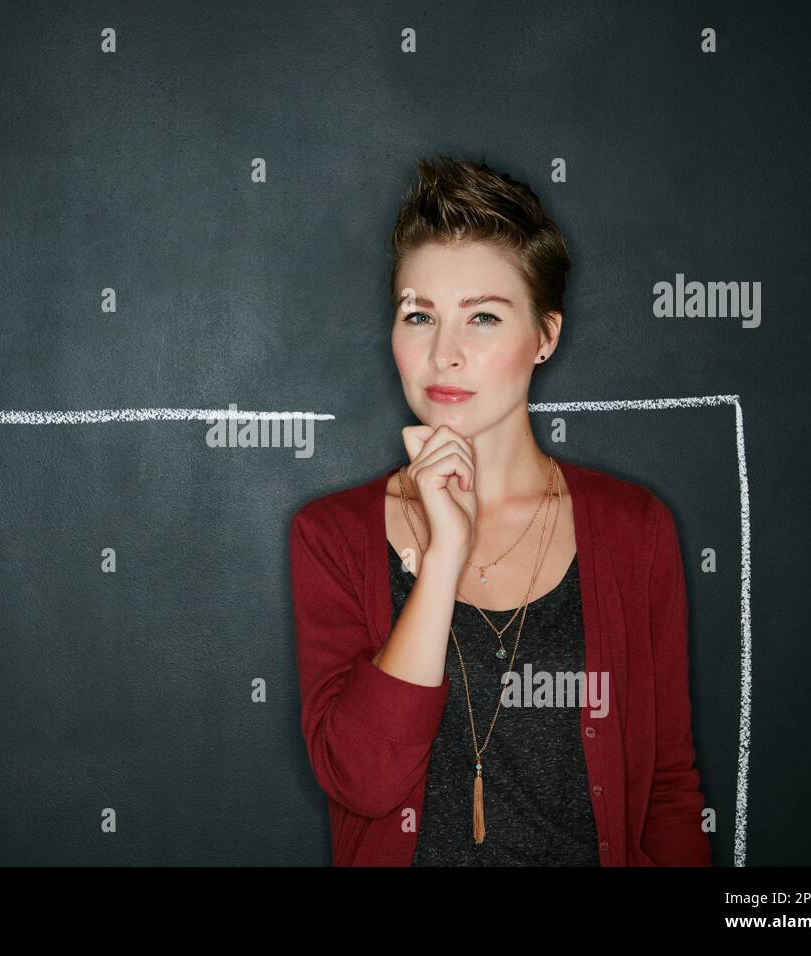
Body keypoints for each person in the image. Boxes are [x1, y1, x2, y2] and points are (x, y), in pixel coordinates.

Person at [289, 154, 712, 866]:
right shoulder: (330, 534)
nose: (444, 353)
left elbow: (668, 788)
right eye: (419, 315)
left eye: (483, 317)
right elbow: (363, 781)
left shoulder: (634, 528)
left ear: (545, 337)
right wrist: (442, 559)